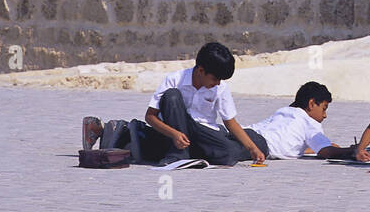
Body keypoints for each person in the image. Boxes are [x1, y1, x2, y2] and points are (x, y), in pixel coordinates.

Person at [82, 41, 267, 166]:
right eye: (215, 78)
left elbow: (230, 121)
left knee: (228, 154)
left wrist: (252, 148)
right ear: (201, 70)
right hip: (172, 133)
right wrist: (175, 134)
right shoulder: (174, 79)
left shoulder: (220, 88)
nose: (217, 83)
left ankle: (182, 152)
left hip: (201, 132)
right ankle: (176, 154)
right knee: (171, 97)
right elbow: (151, 116)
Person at [250, 82, 351, 159]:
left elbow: (291, 147)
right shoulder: (310, 122)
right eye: (324, 109)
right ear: (311, 104)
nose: (325, 115)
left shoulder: (285, 111)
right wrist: (351, 150)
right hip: (260, 145)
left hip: (247, 132)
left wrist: (314, 148)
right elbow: (325, 152)